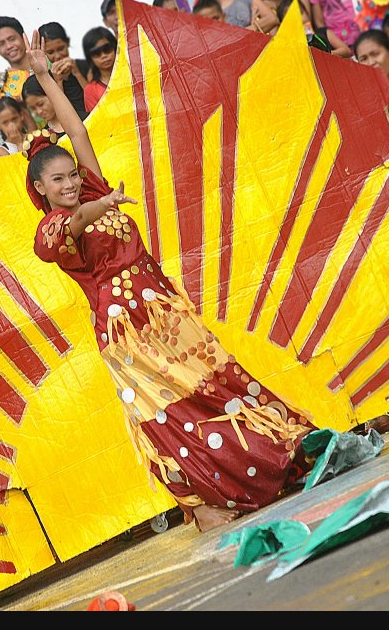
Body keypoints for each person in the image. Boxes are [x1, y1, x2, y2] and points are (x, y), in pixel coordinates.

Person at [22, 30, 317, 532]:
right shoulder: (50, 229)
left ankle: (281, 457)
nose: (71, 183)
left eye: (72, 175)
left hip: (160, 307)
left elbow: (77, 132)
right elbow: (76, 223)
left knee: (220, 384)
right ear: (39, 188)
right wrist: (104, 204)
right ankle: (202, 504)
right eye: (58, 181)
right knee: (165, 414)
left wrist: (47, 78)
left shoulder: (88, 181)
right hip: (127, 332)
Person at [38, 21, 91, 120]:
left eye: (61, 49)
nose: (57, 56)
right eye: (50, 52)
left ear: (67, 43)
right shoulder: (46, 79)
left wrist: (77, 73)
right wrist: (58, 81)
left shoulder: (85, 66)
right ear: (43, 53)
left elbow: (96, 99)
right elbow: (59, 114)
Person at [275, 0, 352, 58]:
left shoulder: (323, 32)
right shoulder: (289, 47)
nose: (299, 19)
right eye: (292, 17)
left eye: (300, 13)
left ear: (308, 14)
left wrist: (326, 54)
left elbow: (346, 51)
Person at [82, 27, 118, 114]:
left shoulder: (132, 76)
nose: (103, 55)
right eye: (96, 53)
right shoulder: (90, 91)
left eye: (107, 49)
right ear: (90, 58)